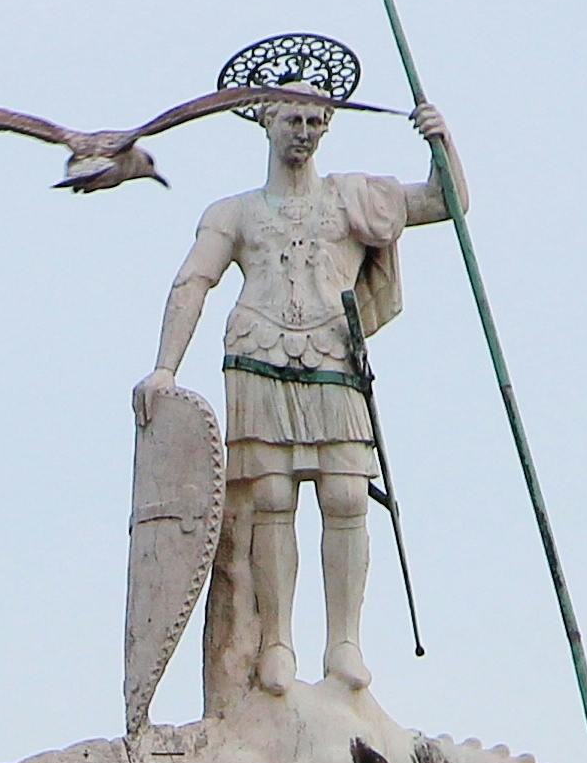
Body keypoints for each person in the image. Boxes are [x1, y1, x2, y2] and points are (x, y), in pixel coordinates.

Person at [143, 94, 462, 708]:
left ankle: (344, 641)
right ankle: (279, 642)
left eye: (316, 121)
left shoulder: (352, 197)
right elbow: (193, 281)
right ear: (266, 121)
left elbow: (446, 201)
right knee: (272, 496)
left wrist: (440, 141)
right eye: (293, 119)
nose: (305, 132)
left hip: (333, 353)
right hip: (258, 351)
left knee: (346, 494)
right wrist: (164, 368)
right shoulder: (233, 212)